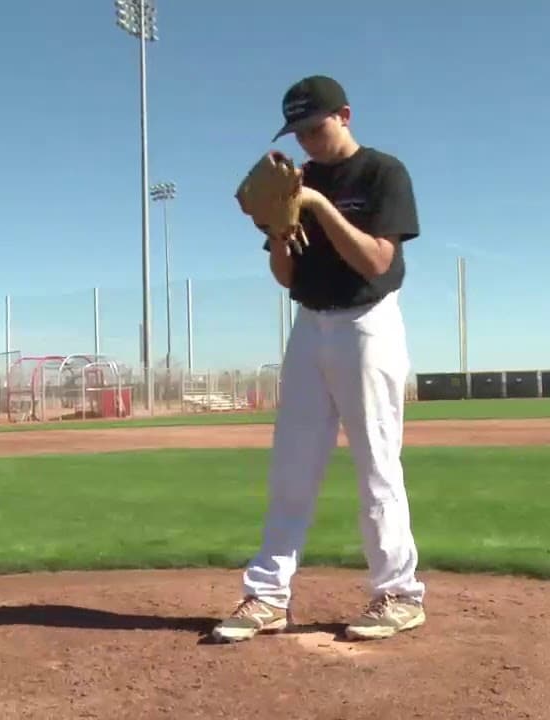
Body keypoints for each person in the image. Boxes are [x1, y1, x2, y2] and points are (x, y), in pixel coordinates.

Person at [212, 75, 426, 643]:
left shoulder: (382, 173)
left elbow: (377, 261)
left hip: (368, 322)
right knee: (291, 468)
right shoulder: (296, 181)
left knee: (377, 465)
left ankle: (398, 594)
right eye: (297, 132)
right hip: (309, 325)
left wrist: (317, 205)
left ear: (345, 115)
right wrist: (281, 230)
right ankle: (266, 597)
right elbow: (286, 276)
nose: (306, 140)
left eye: (315, 127)